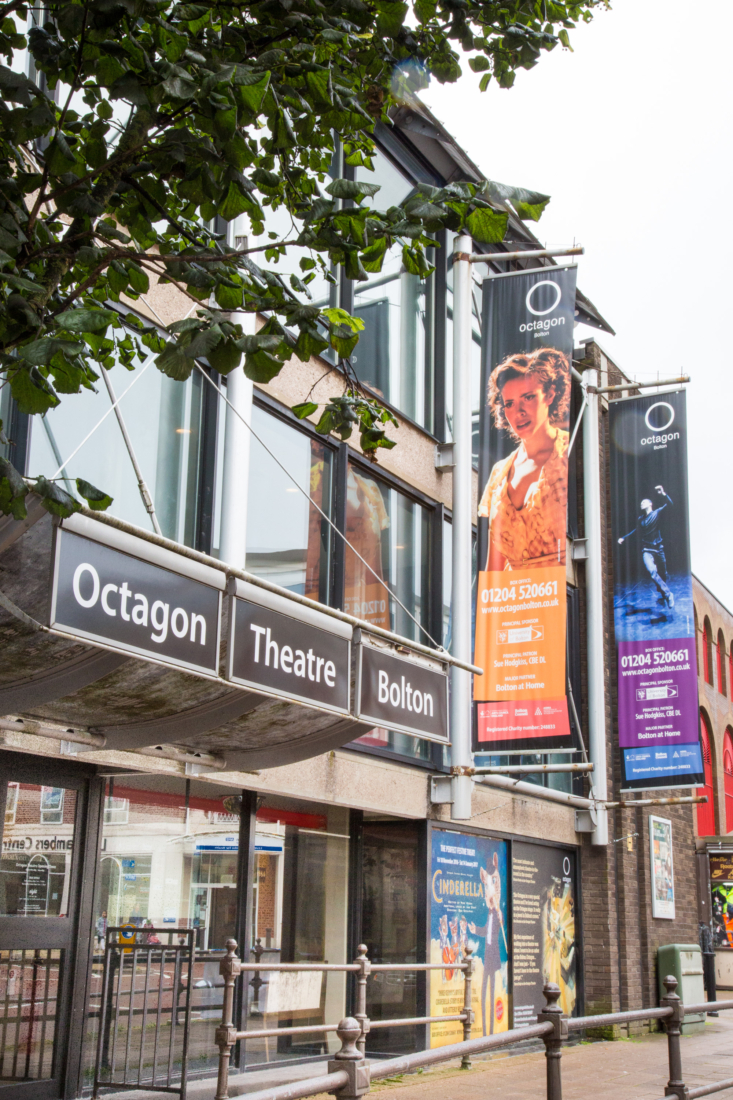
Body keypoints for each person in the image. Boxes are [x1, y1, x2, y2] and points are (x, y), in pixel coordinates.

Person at [479, 348, 570, 571]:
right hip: (511, 601)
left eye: (528, 397)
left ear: (550, 394)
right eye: (508, 403)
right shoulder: (499, 472)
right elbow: (494, 566)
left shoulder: (569, 449)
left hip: (553, 597)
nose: (518, 411)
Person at [617, 485, 674, 608]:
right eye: (641, 503)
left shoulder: (657, 513)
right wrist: (623, 538)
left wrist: (663, 493)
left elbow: (670, 505)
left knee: (663, 575)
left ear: (650, 504)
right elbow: (635, 531)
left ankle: (662, 592)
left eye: (644, 502)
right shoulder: (641, 519)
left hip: (659, 549)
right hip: (647, 550)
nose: (641, 504)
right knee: (652, 571)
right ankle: (669, 594)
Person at [468, 852, 505, 1035]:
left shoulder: (497, 914)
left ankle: (491, 1032)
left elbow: (499, 923)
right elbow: (485, 930)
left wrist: (499, 914)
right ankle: (484, 1032)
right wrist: (476, 931)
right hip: (487, 956)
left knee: (491, 993)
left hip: (493, 957)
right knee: (484, 993)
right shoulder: (490, 914)